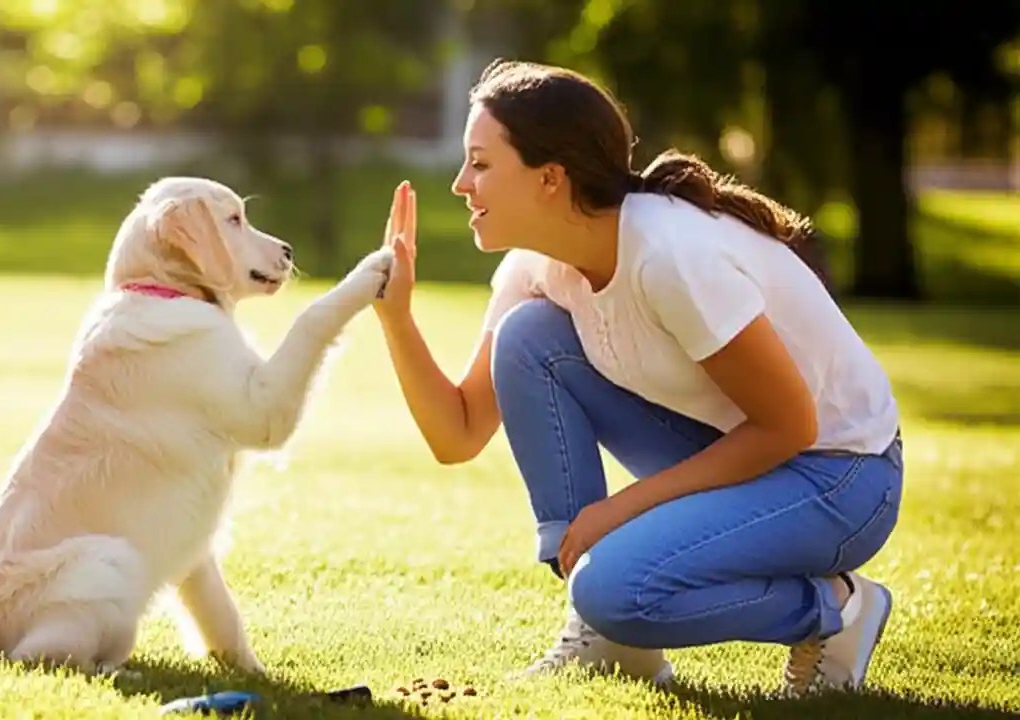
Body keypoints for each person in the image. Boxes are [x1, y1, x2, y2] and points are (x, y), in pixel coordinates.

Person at [370, 59, 903, 696]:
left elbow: (789, 425)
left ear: (550, 178)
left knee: (615, 589)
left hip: (842, 475)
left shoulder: (668, 255)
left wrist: (616, 511)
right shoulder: (536, 268)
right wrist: (396, 315)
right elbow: (456, 435)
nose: (461, 184)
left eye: (481, 164)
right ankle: (610, 639)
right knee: (529, 338)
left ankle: (836, 611)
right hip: (740, 451)